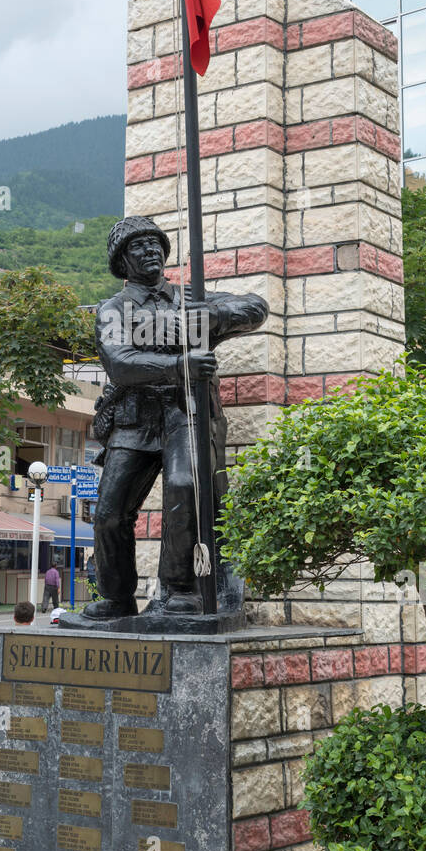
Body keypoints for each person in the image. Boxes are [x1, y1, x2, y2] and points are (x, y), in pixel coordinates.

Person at [81, 215, 268, 622]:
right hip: (134, 419)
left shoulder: (191, 299)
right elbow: (120, 362)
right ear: (121, 261)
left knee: (185, 488)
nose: (149, 250)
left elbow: (256, 306)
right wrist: (178, 364)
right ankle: (116, 596)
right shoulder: (114, 310)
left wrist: (210, 319)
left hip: (185, 413)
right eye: (138, 246)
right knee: (111, 511)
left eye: (155, 244)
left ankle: (180, 588)